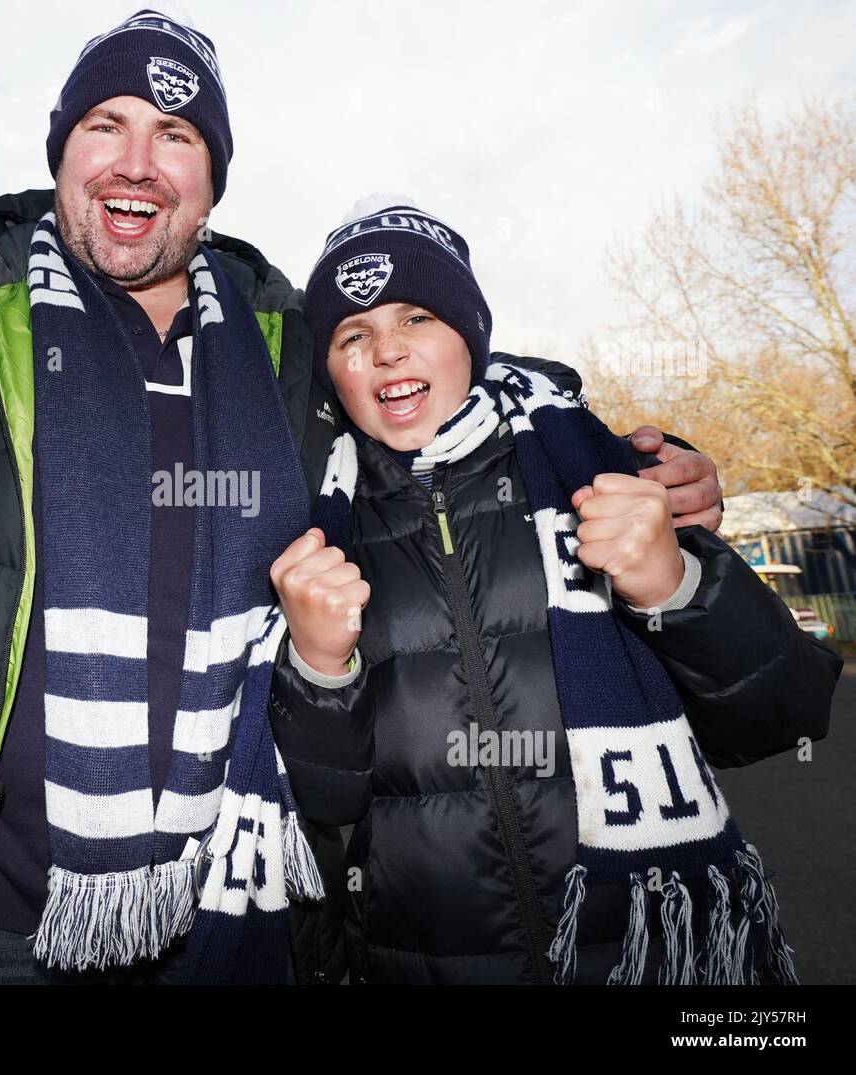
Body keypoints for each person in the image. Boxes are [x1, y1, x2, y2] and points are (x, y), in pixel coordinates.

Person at [0, 10, 726, 985]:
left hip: (233, 913)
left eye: (177, 136)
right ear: (60, 151)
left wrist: (640, 464)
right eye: (106, 125)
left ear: (211, 179)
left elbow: (451, 415)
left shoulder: (295, 352)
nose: (138, 161)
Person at [267, 198, 842, 985]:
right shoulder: (314, 532)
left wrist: (672, 588)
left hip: (641, 953)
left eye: (417, 318)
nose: (388, 353)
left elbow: (783, 715)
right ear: (332, 370)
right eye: (353, 335)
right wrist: (318, 669)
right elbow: (316, 810)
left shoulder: (601, 468)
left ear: (469, 334)